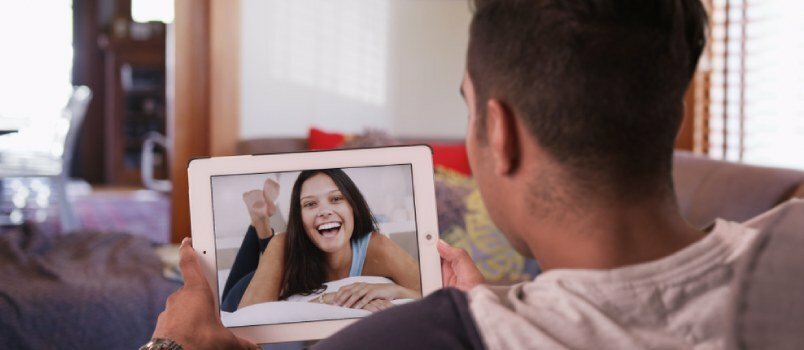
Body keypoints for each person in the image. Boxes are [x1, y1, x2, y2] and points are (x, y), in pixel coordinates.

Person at [148, 0, 760, 348]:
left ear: (499, 133)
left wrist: (173, 347)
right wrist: (492, 301)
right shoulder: (789, 247)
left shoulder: (411, 340)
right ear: (673, 107)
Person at [221, 169, 421, 313]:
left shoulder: (379, 248)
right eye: (310, 204)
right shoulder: (282, 245)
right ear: (299, 218)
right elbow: (247, 319)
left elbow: (436, 295)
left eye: (336, 199)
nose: (325, 211)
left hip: (288, 263)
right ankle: (259, 222)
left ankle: (262, 221)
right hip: (242, 293)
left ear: (353, 207)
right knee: (223, 303)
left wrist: (396, 290)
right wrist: (328, 300)